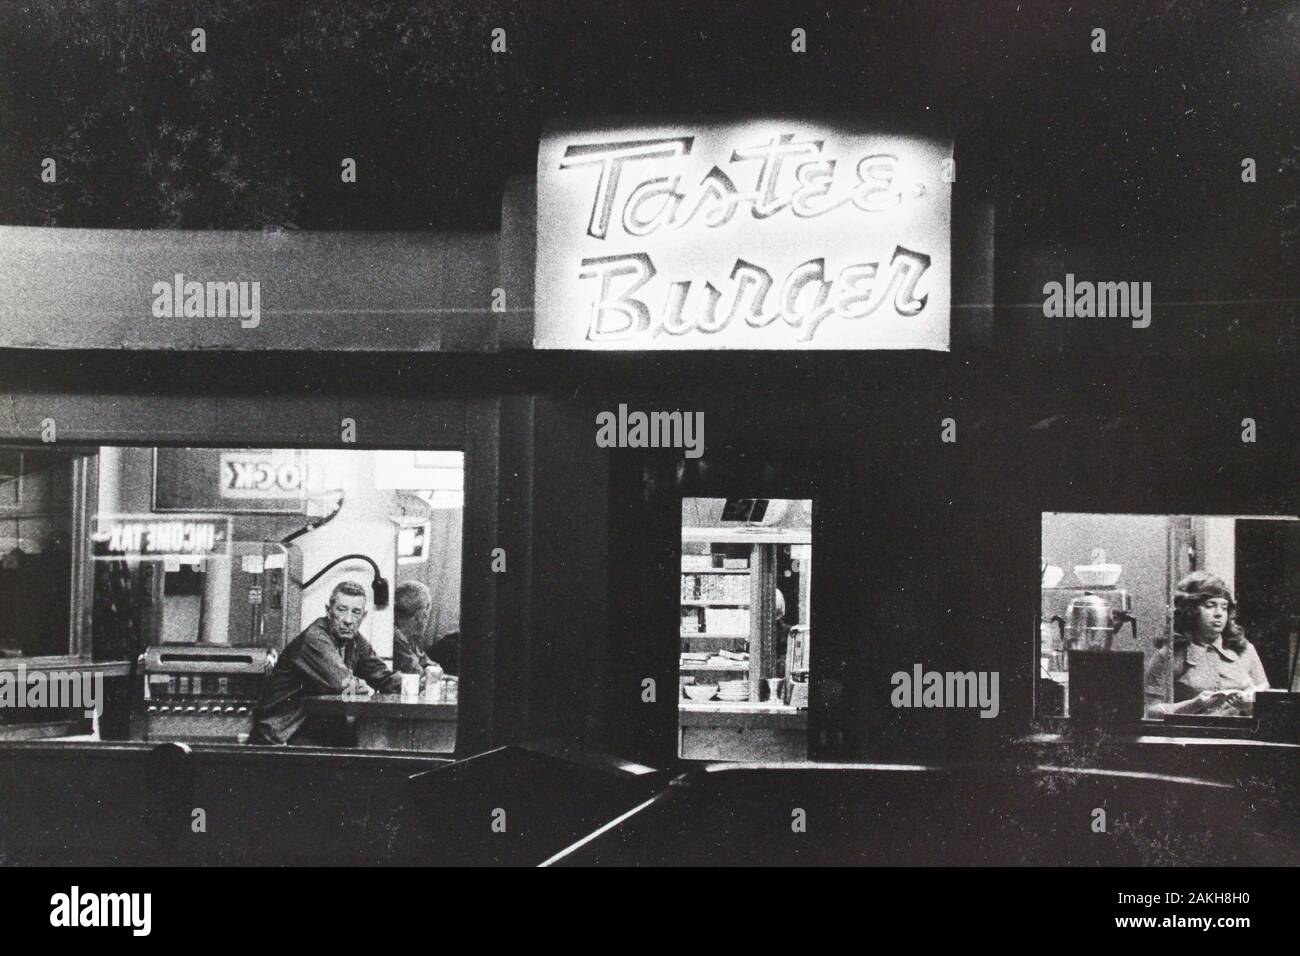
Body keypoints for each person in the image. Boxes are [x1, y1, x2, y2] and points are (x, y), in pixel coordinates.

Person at [249, 580, 401, 745]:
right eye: (341, 610)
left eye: (356, 612)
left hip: (305, 730)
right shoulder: (314, 638)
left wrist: (418, 682)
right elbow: (342, 684)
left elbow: (384, 677)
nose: (348, 620)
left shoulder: (353, 640)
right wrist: (360, 685)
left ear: (363, 616)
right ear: (328, 611)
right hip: (278, 736)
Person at [1144, 571, 1269, 718]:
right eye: (1210, 606)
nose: (1219, 613)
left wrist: (1250, 705)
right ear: (1191, 610)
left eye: (1224, 607)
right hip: (1190, 736)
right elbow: (1151, 712)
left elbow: (1267, 701)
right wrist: (1194, 704)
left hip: (1241, 737)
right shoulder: (1169, 655)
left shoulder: (1245, 650)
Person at [391, 581, 434, 674]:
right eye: (427, 612)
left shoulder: (410, 639)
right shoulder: (396, 639)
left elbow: (429, 665)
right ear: (420, 615)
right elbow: (419, 674)